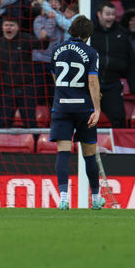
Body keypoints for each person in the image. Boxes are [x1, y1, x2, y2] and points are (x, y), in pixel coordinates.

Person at [49, 16, 105, 210]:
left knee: (63, 152)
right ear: (88, 35)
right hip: (83, 108)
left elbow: (56, 78)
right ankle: (96, 198)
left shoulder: (56, 50)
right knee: (89, 154)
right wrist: (97, 109)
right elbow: (92, 81)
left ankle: (63, 198)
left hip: (62, 106)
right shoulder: (91, 52)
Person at [91, 2, 135, 128]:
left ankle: (119, 147)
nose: (110, 17)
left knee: (119, 118)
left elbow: (131, 61)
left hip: (113, 85)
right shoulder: (90, 33)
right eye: (107, 14)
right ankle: (83, 147)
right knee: (84, 118)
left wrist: (133, 86)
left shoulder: (122, 34)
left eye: (113, 15)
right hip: (92, 84)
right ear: (99, 14)